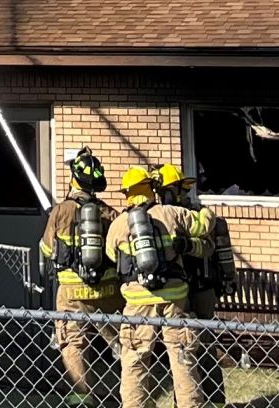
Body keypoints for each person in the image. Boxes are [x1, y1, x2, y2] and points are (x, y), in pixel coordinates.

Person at [107, 165, 215, 408]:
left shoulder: (119, 224)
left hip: (138, 301)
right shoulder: (171, 213)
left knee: (135, 360)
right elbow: (204, 225)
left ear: (128, 193)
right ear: (151, 188)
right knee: (182, 356)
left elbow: (112, 256)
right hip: (174, 297)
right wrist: (204, 209)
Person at [40, 147, 122, 407]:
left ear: (73, 178)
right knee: (125, 343)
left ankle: (81, 399)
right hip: (107, 291)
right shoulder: (109, 213)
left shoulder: (60, 211)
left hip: (71, 294)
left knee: (73, 345)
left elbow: (46, 249)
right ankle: (136, 395)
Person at [157, 163, 233, 404]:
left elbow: (208, 248)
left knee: (204, 345)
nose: (163, 196)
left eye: (167, 191)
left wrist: (188, 246)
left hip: (200, 287)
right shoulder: (158, 217)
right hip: (173, 289)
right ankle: (184, 400)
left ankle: (215, 400)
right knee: (180, 347)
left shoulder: (198, 214)